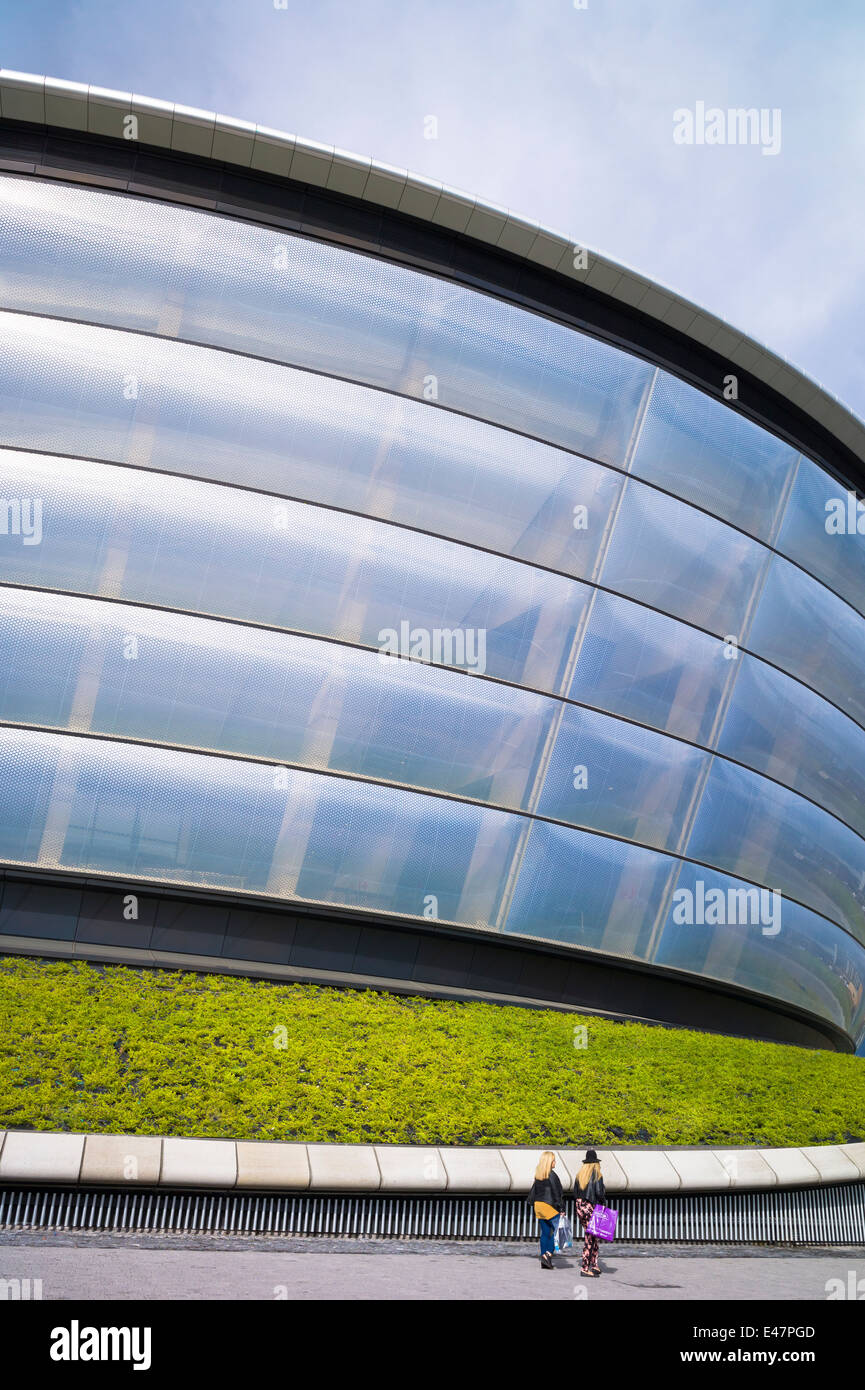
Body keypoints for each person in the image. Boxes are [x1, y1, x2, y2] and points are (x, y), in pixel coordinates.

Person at [527, 1150, 565, 1270]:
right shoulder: (552, 1175)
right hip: (550, 1206)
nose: (555, 1162)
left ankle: (544, 1257)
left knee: (545, 1232)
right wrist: (561, 1208)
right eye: (553, 1160)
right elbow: (556, 1193)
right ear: (549, 1162)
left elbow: (534, 1191)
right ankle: (548, 1254)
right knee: (558, 1233)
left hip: (539, 1206)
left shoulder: (539, 1174)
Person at [574, 1148, 606, 1277]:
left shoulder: (580, 1175)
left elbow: (574, 1193)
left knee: (593, 1236)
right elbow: (599, 1192)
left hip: (580, 1207)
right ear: (595, 1163)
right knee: (590, 1238)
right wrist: (603, 1203)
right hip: (591, 1207)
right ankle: (585, 1268)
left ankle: (594, 1265)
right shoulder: (597, 1175)